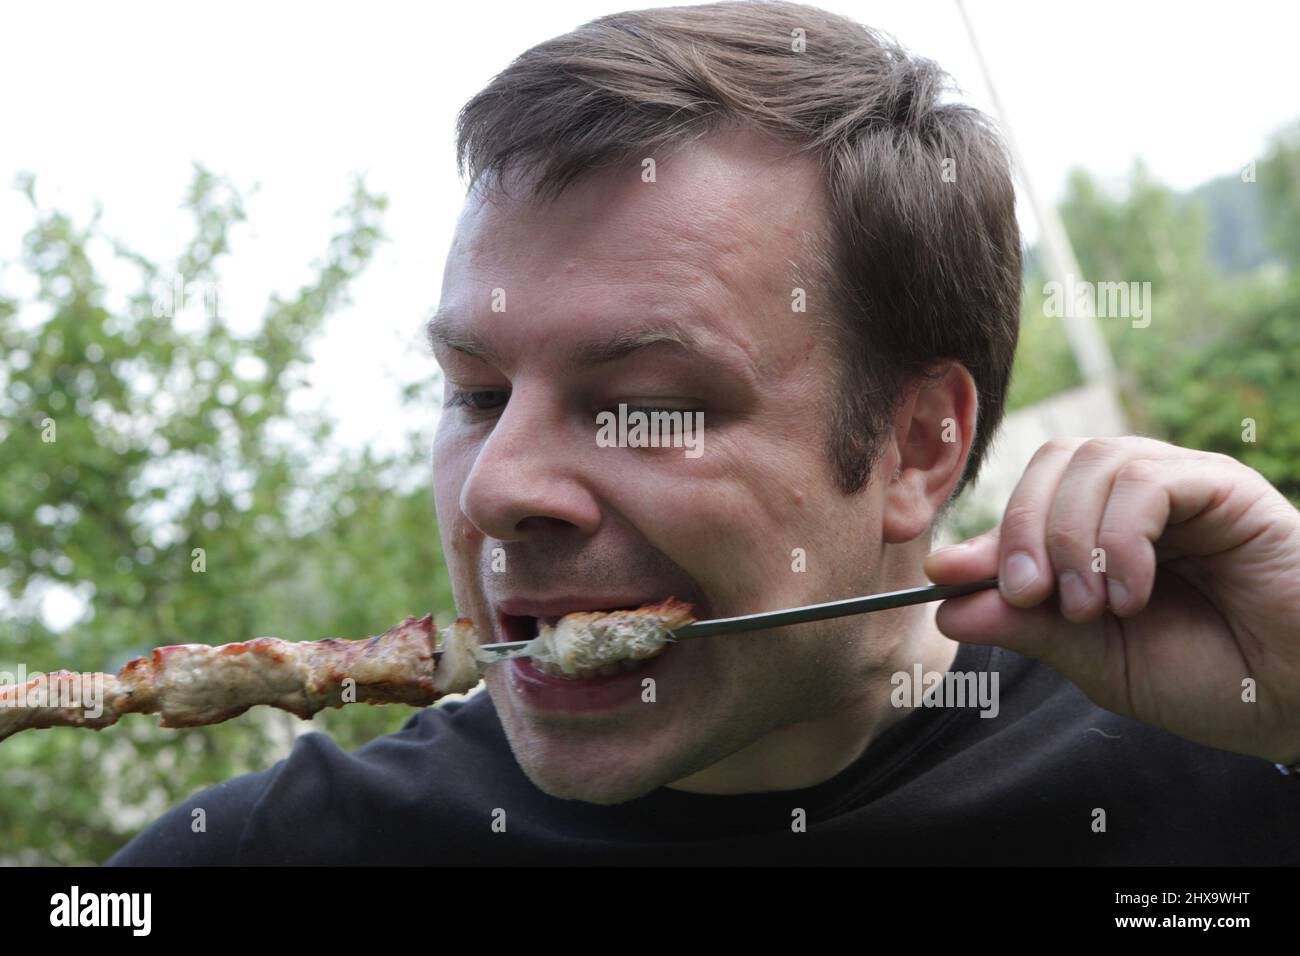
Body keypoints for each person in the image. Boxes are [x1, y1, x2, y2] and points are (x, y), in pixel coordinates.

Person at [109, 0, 1300, 865]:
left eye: (645, 404)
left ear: (919, 444)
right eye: (475, 394)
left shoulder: (1230, 770)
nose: (497, 489)